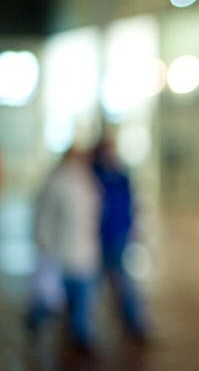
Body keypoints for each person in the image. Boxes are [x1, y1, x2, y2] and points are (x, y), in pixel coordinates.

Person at [26, 146, 100, 352]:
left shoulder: (87, 181)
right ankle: (37, 321)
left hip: (83, 252)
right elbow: (44, 217)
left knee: (81, 302)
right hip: (62, 253)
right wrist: (45, 245)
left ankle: (81, 336)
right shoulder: (58, 182)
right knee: (53, 298)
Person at [91, 133, 149, 341]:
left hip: (117, 237)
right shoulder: (94, 176)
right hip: (97, 239)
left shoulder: (121, 177)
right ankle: (84, 329)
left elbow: (130, 206)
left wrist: (133, 229)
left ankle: (135, 324)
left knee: (123, 283)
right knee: (92, 286)